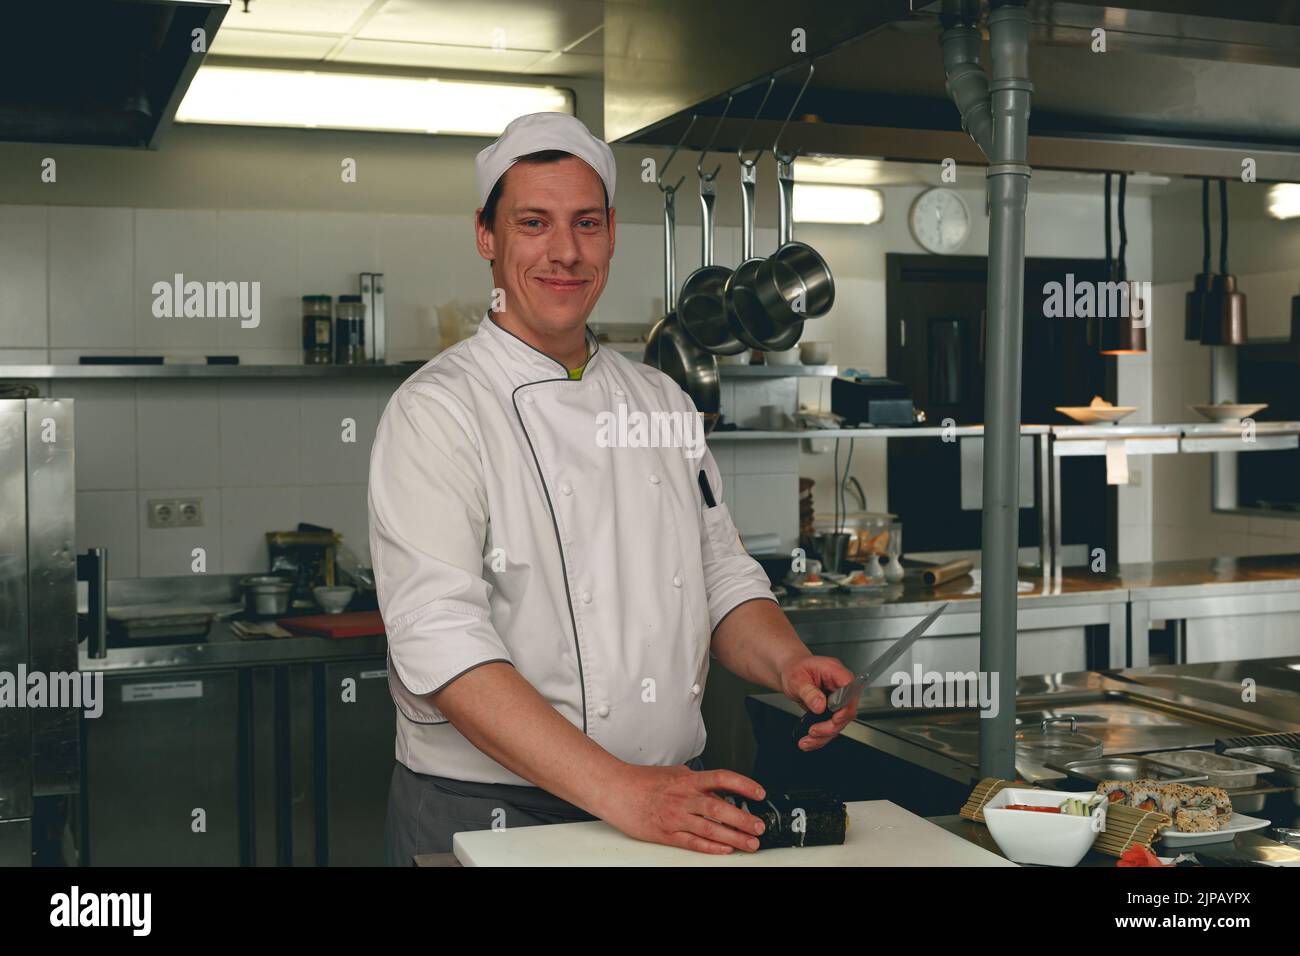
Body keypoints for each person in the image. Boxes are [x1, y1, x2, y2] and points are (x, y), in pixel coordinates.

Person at [369, 112, 855, 865]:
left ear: (611, 235)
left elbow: (720, 576)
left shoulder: (660, 402)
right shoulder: (438, 411)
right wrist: (619, 790)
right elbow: (439, 639)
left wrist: (786, 661)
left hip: (664, 802)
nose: (565, 251)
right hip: (490, 813)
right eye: (534, 222)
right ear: (486, 236)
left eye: (586, 224)